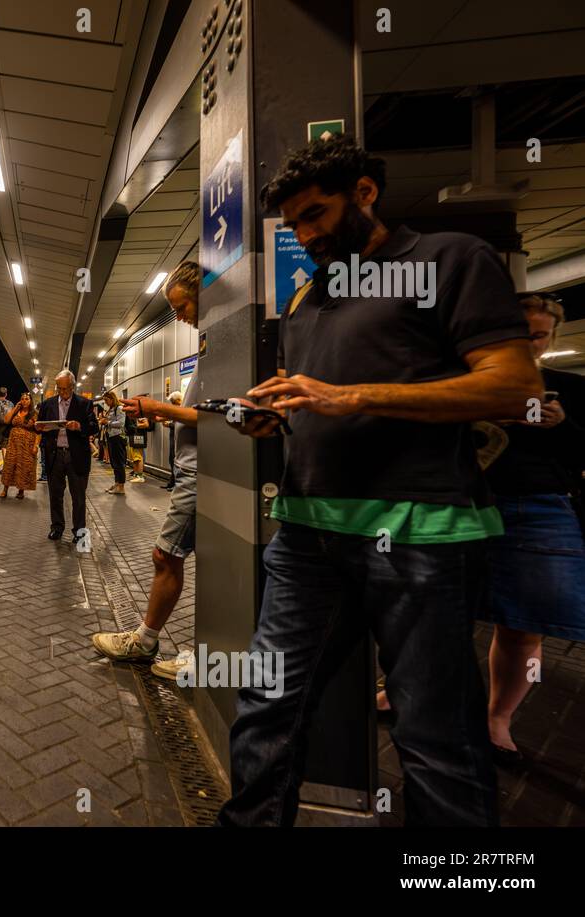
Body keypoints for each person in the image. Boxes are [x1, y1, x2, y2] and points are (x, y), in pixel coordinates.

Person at [218, 136, 541, 827]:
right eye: (296, 224)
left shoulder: (448, 260)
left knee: (434, 736)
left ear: (365, 192)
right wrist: (272, 420)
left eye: (317, 215)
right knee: (267, 708)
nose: (305, 235)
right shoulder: (310, 301)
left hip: (421, 532)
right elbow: (316, 405)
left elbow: (514, 386)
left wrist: (355, 396)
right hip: (309, 536)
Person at [478, 292, 585, 765]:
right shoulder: (464, 382)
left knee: (526, 626)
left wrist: (560, 427)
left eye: (538, 336)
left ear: (551, 338)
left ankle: (498, 718)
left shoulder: (568, 388)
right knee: (433, 614)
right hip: (464, 503)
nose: (528, 344)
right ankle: (405, 693)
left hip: (539, 506)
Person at [92, 261, 202, 678]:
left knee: (165, 554)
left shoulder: (227, 341)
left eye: (183, 305)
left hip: (202, 475)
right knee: (194, 558)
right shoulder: (211, 344)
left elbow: (226, 415)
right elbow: (204, 414)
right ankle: (197, 648)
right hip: (196, 472)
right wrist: (169, 415)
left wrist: (161, 408)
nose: (180, 316)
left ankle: (145, 641)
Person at [35, 369, 99, 542]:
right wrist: (39, 428)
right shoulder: (48, 404)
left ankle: (80, 533)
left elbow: (94, 427)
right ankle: (57, 528)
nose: (61, 392)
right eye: (58, 389)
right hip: (54, 456)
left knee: (78, 497)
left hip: (76, 456)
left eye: (64, 389)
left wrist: (79, 427)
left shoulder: (84, 404)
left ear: (72, 387)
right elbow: (39, 425)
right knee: (55, 495)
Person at [0, 391, 40, 499]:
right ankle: (5, 489)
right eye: (22, 399)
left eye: (27, 399)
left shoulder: (34, 414)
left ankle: (21, 490)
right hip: (13, 443)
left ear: (30, 401)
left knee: (24, 466)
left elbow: (38, 431)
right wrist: (15, 409)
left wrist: (36, 445)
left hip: (27, 444)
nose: (24, 401)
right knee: (10, 464)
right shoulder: (17, 411)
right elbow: (6, 420)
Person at [101, 390, 128, 494]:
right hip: (111, 437)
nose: (106, 402)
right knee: (114, 462)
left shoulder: (119, 408)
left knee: (119, 463)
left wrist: (107, 422)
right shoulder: (112, 409)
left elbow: (121, 423)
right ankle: (117, 483)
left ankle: (121, 487)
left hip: (118, 437)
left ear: (112, 399)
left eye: (107, 400)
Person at [164, 390, 184, 490]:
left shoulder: (182, 409)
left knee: (175, 460)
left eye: (173, 401)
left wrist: (169, 424)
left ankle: (176, 484)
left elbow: (180, 424)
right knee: (171, 459)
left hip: (178, 438)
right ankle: (172, 481)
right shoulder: (176, 409)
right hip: (173, 436)